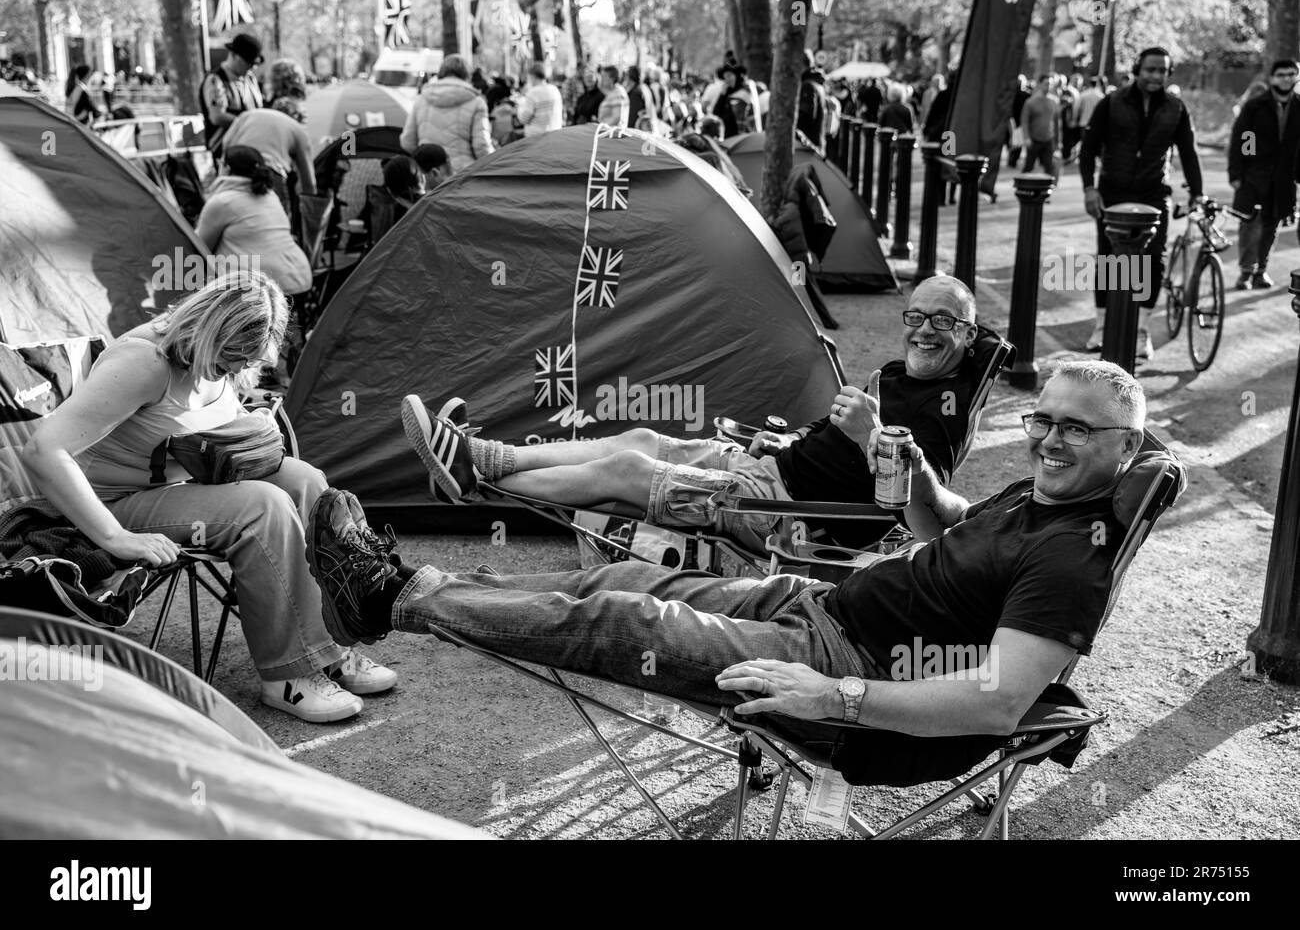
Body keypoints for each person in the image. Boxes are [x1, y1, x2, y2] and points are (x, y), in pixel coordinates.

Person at [310, 360, 1148, 743]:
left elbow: (997, 704)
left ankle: (389, 594)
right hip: (813, 601)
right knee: (620, 574)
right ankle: (404, 579)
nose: (1050, 439)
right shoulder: (1033, 495)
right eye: (1043, 419)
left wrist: (836, 696)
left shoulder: (1075, 557)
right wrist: (924, 478)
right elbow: (946, 528)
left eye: (1078, 429)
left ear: (1126, 447)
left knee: (613, 618)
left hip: (841, 658)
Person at [21, 272, 397, 723]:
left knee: (308, 483)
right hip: (115, 502)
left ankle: (333, 646)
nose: (236, 372)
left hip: (181, 486)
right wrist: (116, 537)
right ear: (209, 330)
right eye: (229, 362)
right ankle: (288, 677)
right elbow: (43, 449)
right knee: (262, 507)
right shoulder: (145, 363)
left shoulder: (220, 356)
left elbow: (205, 422)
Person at [402, 277, 986, 550]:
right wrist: (790, 440)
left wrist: (872, 436)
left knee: (626, 471)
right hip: (767, 472)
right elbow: (828, 432)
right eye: (916, 316)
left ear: (968, 333)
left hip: (786, 515)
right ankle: (480, 458)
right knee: (636, 435)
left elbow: (924, 514)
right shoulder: (889, 374)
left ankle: (473, 477)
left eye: (943, 320)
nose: (925, 330)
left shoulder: (948, 408)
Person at [1078, 47, 1204, 360]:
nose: (1156, 76)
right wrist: (1089, 189)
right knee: (1109, 260)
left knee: (1152, 261)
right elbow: (1088, 148)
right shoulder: (1112, 102)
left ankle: (1141, 328)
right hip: (1113, 191)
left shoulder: (1176, 108)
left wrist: (1197, 193)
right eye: (1150, 69)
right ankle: (1103, 325)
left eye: (1162, 71)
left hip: (1154, 193)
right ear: (1137, 69)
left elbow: (1188, 153)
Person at [196, 145, 312, 296]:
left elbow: (199, 247)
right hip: (299, 278)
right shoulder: (271, 196)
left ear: (227, 168)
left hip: (263, 292)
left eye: (219, 163)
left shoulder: (222, 202)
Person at [1228, 59, 1300, 291]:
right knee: (1251, 224)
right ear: (1272, 78)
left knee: (1272, 224)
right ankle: (1246, 272)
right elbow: (1243, 138)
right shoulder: (1256, 106)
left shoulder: (1299, 107)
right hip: (1255, 176)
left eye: (1291, 74)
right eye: (1281, 74)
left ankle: (1261, 270)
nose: (1286, 79)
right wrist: (1239, 172)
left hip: (1285, 179)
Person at [400, 54, 494, 174]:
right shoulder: (476, 102)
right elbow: (481, 147)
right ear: (467, 75)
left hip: (428, 174)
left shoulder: (421, 99)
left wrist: (426, 158)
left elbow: (407, 142)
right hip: (462, 175)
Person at [223, 103, 317, 216]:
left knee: (232, 218)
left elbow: (226, 143)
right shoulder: (298, 130)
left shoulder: (247, 115)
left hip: (236, 171)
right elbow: (309, 184)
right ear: (296, 116)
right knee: (275, 224)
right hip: (271, 174)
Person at [200, 33, 265, 157]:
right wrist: (250, 124)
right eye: (248, 63)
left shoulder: (250, 78)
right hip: (226, 150)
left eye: (254, 64)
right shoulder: (216, 79)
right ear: (233, 56)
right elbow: (217, 116)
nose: (251, 68)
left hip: (252, 144)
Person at [1020, 75, 1060, 177]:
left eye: (1050, 84)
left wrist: (1057, 142)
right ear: (1040, 84)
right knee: (1028, 167)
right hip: (1034, 140)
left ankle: (1046, 189)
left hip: (1048, 139)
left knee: (1049, 167)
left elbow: (1056, 123)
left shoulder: (1054, 101)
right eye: (1046, 84)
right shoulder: (1031, 102)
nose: (1049, 86)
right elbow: (1024, 121)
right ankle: (1022, 186)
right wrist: (1026, 137)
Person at [516, 63, 563, 136]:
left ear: (532, 76)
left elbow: (524, 119)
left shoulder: (533, 92)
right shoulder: (554, 89)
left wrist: (520, 104)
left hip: (536, 137)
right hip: (555, 134)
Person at [797, 55, 829, 151]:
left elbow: (806, 116)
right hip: (816, 141)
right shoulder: (817, 83)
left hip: (809, 144)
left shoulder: (808, 85)